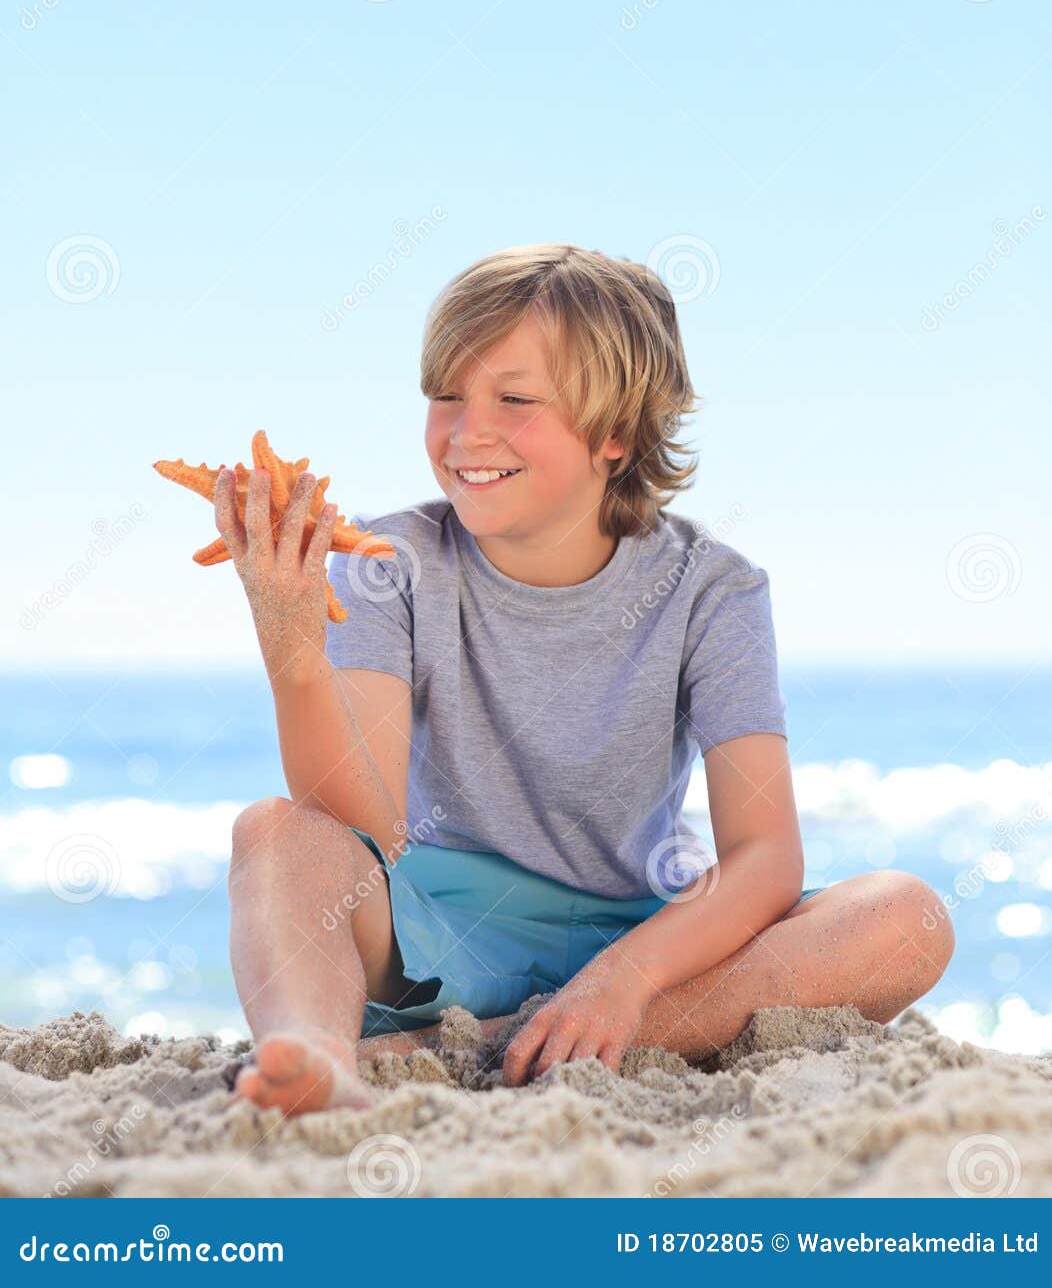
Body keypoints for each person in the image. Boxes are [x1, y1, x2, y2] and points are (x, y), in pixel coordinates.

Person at [223, 243, 954, 1116]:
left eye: (515, 399)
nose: (466, 430)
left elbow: (763, 858)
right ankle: (313, 1050)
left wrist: (626, 977)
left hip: (641, 932)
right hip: (440, 928)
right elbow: (364, 830)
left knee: (906, 917)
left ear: (616, 434)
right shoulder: (391, 560)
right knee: (274, 832)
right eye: (446, 394)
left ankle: (477, 1047)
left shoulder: (711, 591)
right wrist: (293, 652)